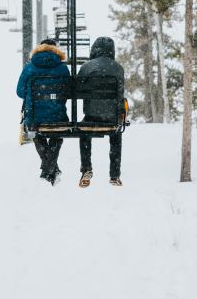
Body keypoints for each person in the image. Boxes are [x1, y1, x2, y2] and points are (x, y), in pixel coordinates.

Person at [17, 39, 70, 185]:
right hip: (57, 115)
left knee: (37, 135)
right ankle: (50, 169)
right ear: (55, 50)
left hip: (34, 117)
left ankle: (49, 169)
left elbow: (20, 92)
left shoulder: (29, 68)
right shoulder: (63, 69)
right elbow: (68, 91)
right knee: (57, 135)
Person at [77, 36, 125, 187]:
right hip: (111, 117)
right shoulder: (118, 68)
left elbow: (77, 90)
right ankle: (114, 174)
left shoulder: (86, 66)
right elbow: (120, 93)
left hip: (92, 115)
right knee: (116, 134)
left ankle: (86, 168)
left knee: (84, 132)